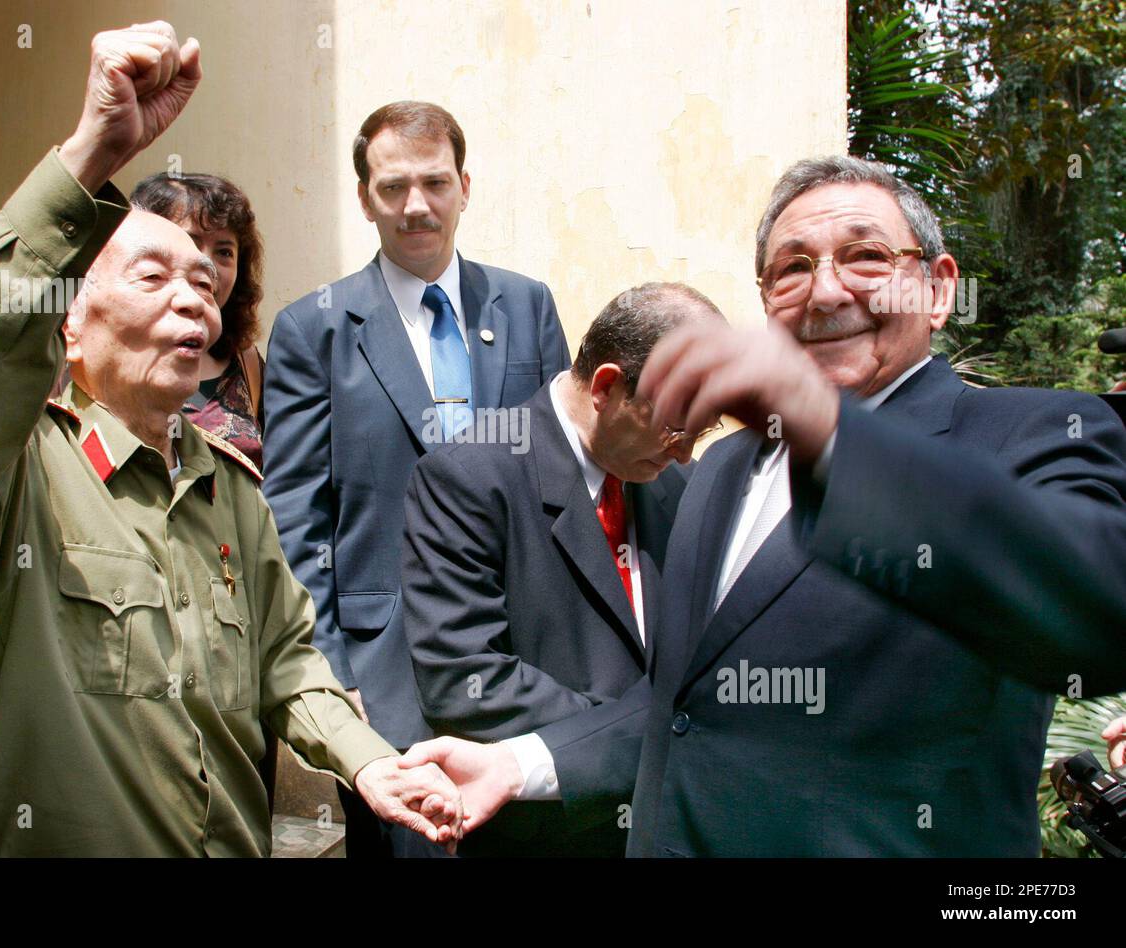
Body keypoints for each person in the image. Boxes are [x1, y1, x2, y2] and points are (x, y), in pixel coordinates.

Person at [406, 155, 1126, 857]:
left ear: (937, 290)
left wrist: (830, 433)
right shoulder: (719, 469)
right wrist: (523, 763)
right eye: (792, 268)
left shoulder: (1037, 432)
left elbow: (1097, 616)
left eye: (866, 257)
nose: (826, 292)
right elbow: (681, 708)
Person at [0, 20, 463, 857]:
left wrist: (371, 765)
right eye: (151, 276)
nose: (194, 299)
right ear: (67, 321)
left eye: (202, 280)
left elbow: (289, 662)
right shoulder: (16, 474)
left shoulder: (232, 489)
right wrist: (87, 156)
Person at [262, 100, 571, 856]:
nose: (416, 205)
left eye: (435, 182)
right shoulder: (316, 328)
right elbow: (297, 514)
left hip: (526, 659)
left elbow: (566, 476)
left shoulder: (527, 307)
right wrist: (333, 675)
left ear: (466, 186)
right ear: (366, 197)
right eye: (392, 186)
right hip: (385, 674)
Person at [402, 283, 722, 856]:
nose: (684, 453)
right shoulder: (468, 478)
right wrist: (638, 736)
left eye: (704, 432)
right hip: (550, 832)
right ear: (607, 387)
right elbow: (465, 680)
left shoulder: (679, 483)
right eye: (677, 427)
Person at [131, 172, 266, 468]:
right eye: (189, 242)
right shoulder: (110, 357)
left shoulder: (248, 363)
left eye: (224, 252)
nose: (208, 265)